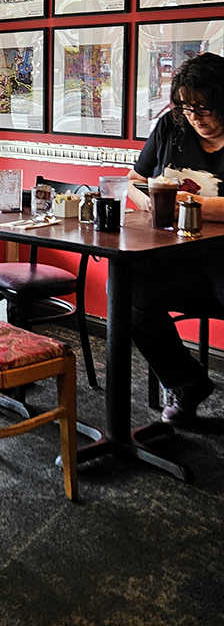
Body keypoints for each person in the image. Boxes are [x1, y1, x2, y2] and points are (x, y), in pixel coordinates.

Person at [127, 52, 224, 425]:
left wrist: (191, 203)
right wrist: (150, 200)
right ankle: (186, 383)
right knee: (129, 296)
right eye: (186, 107)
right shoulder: (172, 126)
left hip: (222, 260)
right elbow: (136, 181)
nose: (195, 117)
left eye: (204, 107)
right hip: (173, 257)